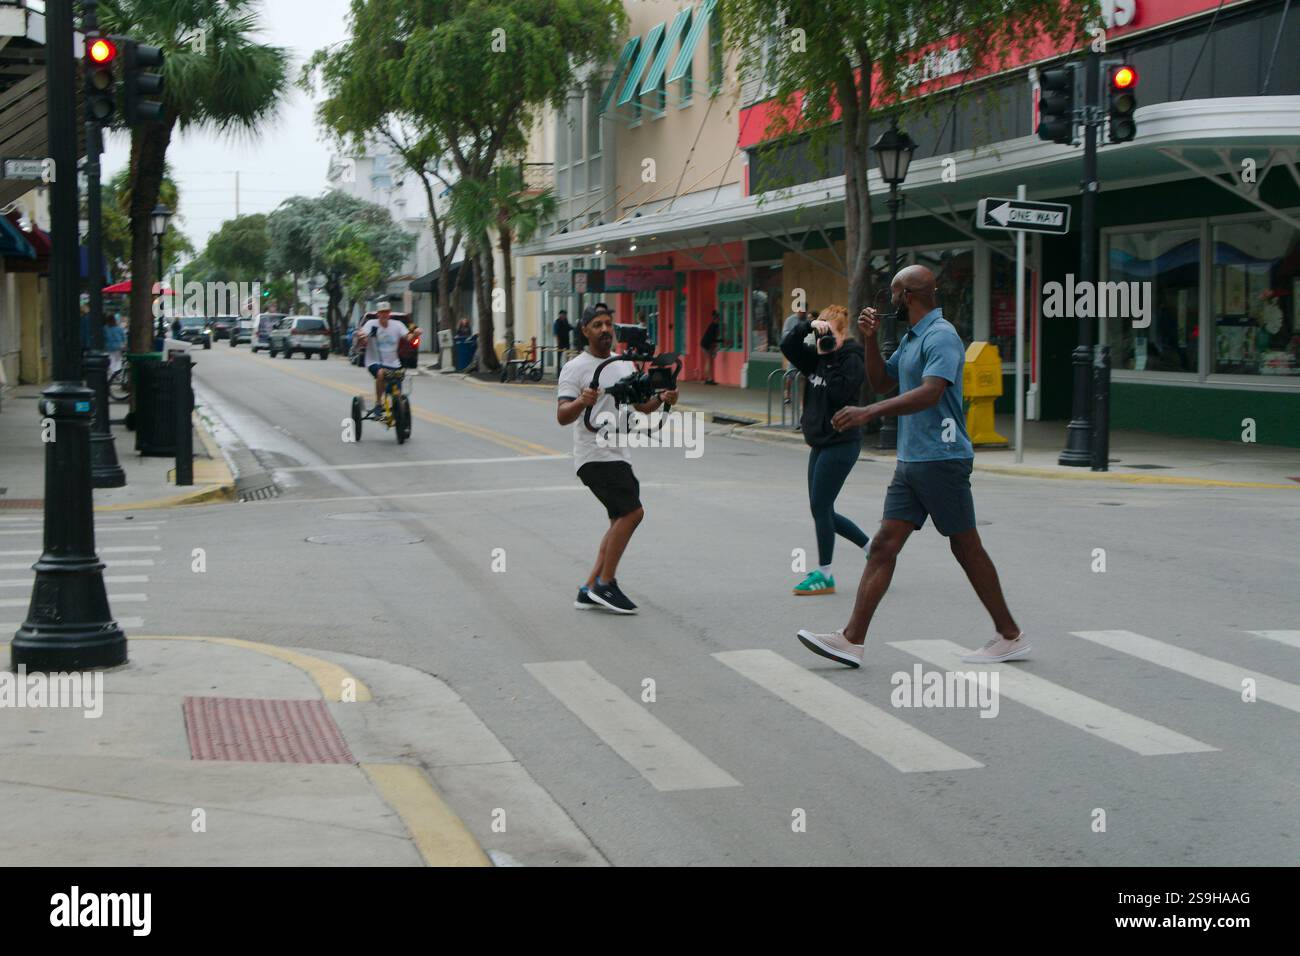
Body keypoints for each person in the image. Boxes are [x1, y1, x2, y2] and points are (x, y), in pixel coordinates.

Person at [795, 265, 1028, 668]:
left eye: (893, 293)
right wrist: (869, 341)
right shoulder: (913, 337)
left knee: (966, 547)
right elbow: (883, 381)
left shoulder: (942, 336)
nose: (890, 301)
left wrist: (869, 413)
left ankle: (1009, 634)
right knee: (884, 545)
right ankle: (851, 640)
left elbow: (929, 392)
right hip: (913, 460)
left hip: (942, 457)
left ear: (908, 295)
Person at [556, 305, 678, 614]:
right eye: (597, 324)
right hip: (594, 454)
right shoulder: (576, 367)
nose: (604, 329)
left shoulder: (623, 365)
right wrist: (581, 401)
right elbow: (562, 415)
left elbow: (640, 407)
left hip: (618, 453)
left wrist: (662, 400)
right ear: (585, 331)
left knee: (617, 522)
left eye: (608, 324)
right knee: (633, 513)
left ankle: (589, 588)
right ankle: (606, 585)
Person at [780, 305, 870, 596]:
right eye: (823, 332)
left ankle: (825, 574)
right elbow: (786, 345)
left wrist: (830, 357)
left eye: (830, 333)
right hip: (820, 442)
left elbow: (840, 394)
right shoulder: (816, 356)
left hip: (843, 442)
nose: (825, 338)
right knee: (822, 509)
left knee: (821, 507)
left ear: (843, 333)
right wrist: (808, 326)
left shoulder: (852, 358)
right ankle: (874, 548)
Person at [354, 301, 421, 416]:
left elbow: (409, 338)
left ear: (389, 314)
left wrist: (415, 334)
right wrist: (361, 338)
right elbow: (362, 337)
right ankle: (378, 404)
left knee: (397, 390)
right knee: (381, 373)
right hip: (374, 361)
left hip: (394, 363)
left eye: (386, 313)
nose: (384, 315)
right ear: (378, 314)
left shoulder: (397, 325)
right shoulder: (371, 324)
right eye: (381, 313)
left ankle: (399, 412)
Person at [700, 310, 721, 384]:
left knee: (708, 361)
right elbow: (713, 339)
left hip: (706, 344)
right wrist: (722, 341)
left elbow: (714, 339)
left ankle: (708, 379)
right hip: (705, 344)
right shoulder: (713, 326)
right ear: (715, 319)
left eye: (719, 319)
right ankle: (709, 379)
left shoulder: (714, 326)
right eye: (718, 319)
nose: (719, 320)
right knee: (708, 361)